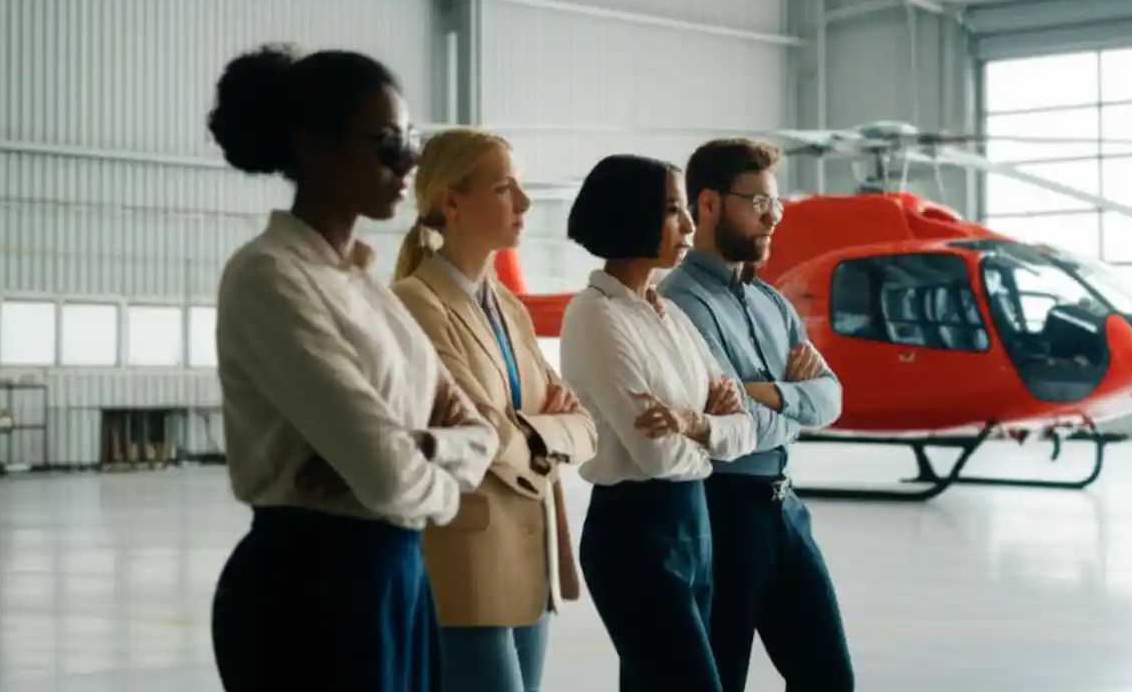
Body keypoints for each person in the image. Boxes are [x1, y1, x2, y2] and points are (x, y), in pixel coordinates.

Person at [205, 44, 499, 692]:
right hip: (310, 592)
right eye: (388, 142)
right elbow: (388, 475)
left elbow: (479, 434)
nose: (409, 162)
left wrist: (422, 448)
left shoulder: (367, 286)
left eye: (412, 141)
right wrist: (434, 480)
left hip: (398, 579)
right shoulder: (270, 277)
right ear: (314, 146)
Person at [389, 128, 598, 692]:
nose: (524, 203)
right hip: (465, 560)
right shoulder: (417, 302)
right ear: (452, 202)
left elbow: (585, 426)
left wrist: (534, 430)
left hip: (532, 559)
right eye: (504, 189)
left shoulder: (508, 306)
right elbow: (480, 433)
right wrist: (549, 429)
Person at [657, 138, 855, 692]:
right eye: (759, 202)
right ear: (709, 204)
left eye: (777, 203)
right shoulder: (680, 303)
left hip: (785, 509)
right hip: (723, 514)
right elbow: (734, 425)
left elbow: (831, 398)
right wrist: (792, 398)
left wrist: (769, 395)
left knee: (830, 680)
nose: (773, 218)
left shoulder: (771, 302)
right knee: (722, 679)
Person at [558, 154, 757, 692]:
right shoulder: (596, 315)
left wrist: (696, 425)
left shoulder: (670, 314)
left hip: (695, 529)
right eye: (673, 210)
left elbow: (746, 430)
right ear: (632, 214)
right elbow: (657, 454)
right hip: (635, 535)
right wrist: (712, 426)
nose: (690, 225)